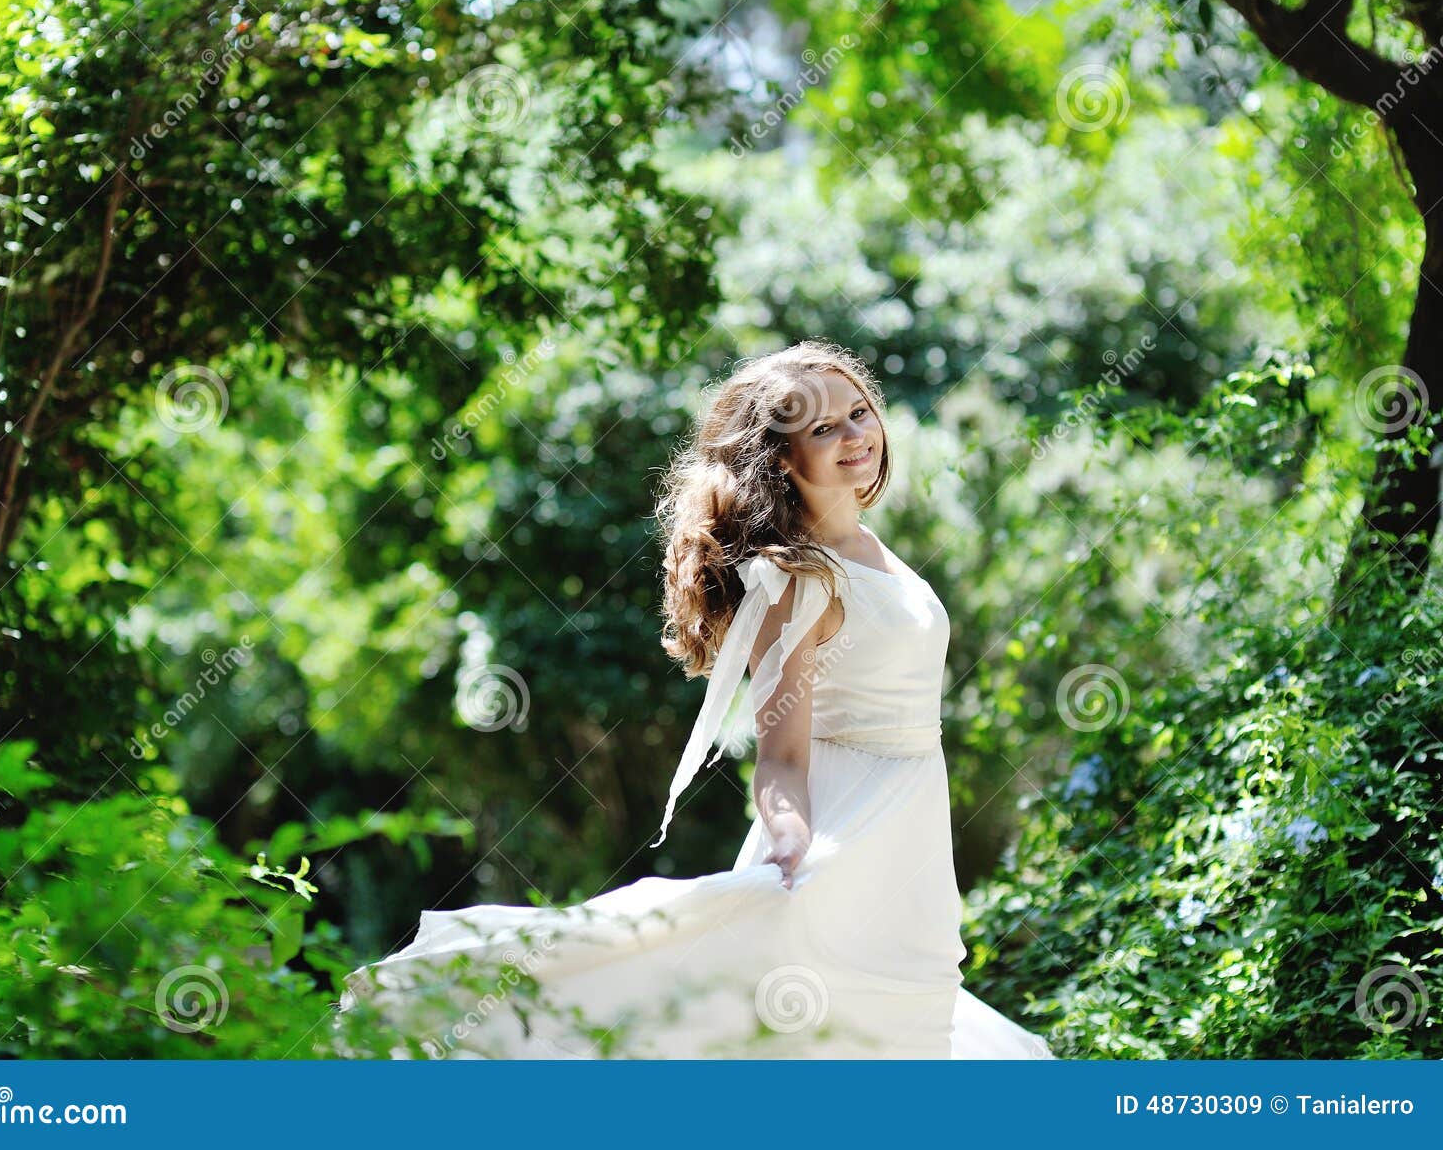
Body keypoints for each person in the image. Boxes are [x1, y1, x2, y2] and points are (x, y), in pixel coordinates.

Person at [334, 341, 1055, 1059]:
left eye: (859, 413)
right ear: (781, 459)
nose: (853, 435)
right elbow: (781, 754)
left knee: (904, 1023)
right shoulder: (799, 581)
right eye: (823, 428)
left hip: (911, 834)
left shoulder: (872, 549)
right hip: (851, 833)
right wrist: (790, 840)